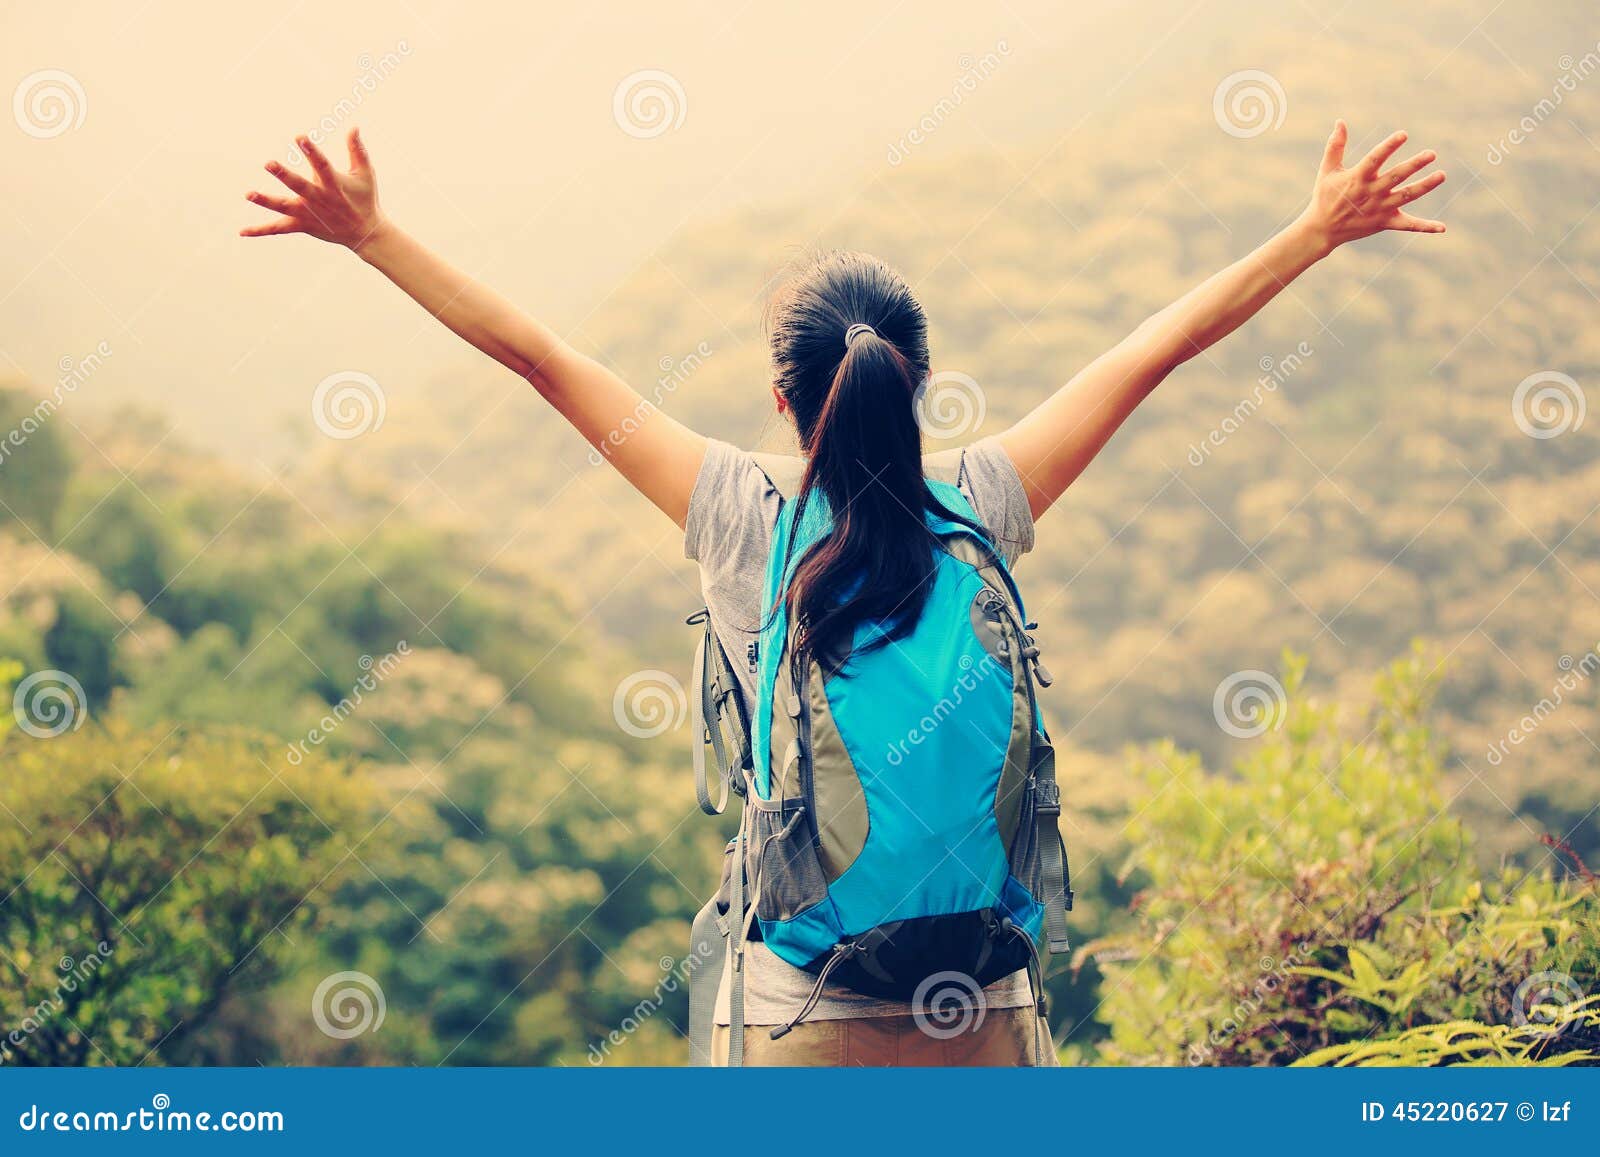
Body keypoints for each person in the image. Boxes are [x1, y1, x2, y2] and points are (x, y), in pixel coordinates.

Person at [242, 121, 1445, 1065]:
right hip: (978, 993)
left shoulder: (733, 510)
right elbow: (1152, 349)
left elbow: (541, 357)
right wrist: (1315, 228)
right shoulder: (985, 495)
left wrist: (370, 235)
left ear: (783, 399)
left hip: (804, 1005)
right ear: (917, 384)